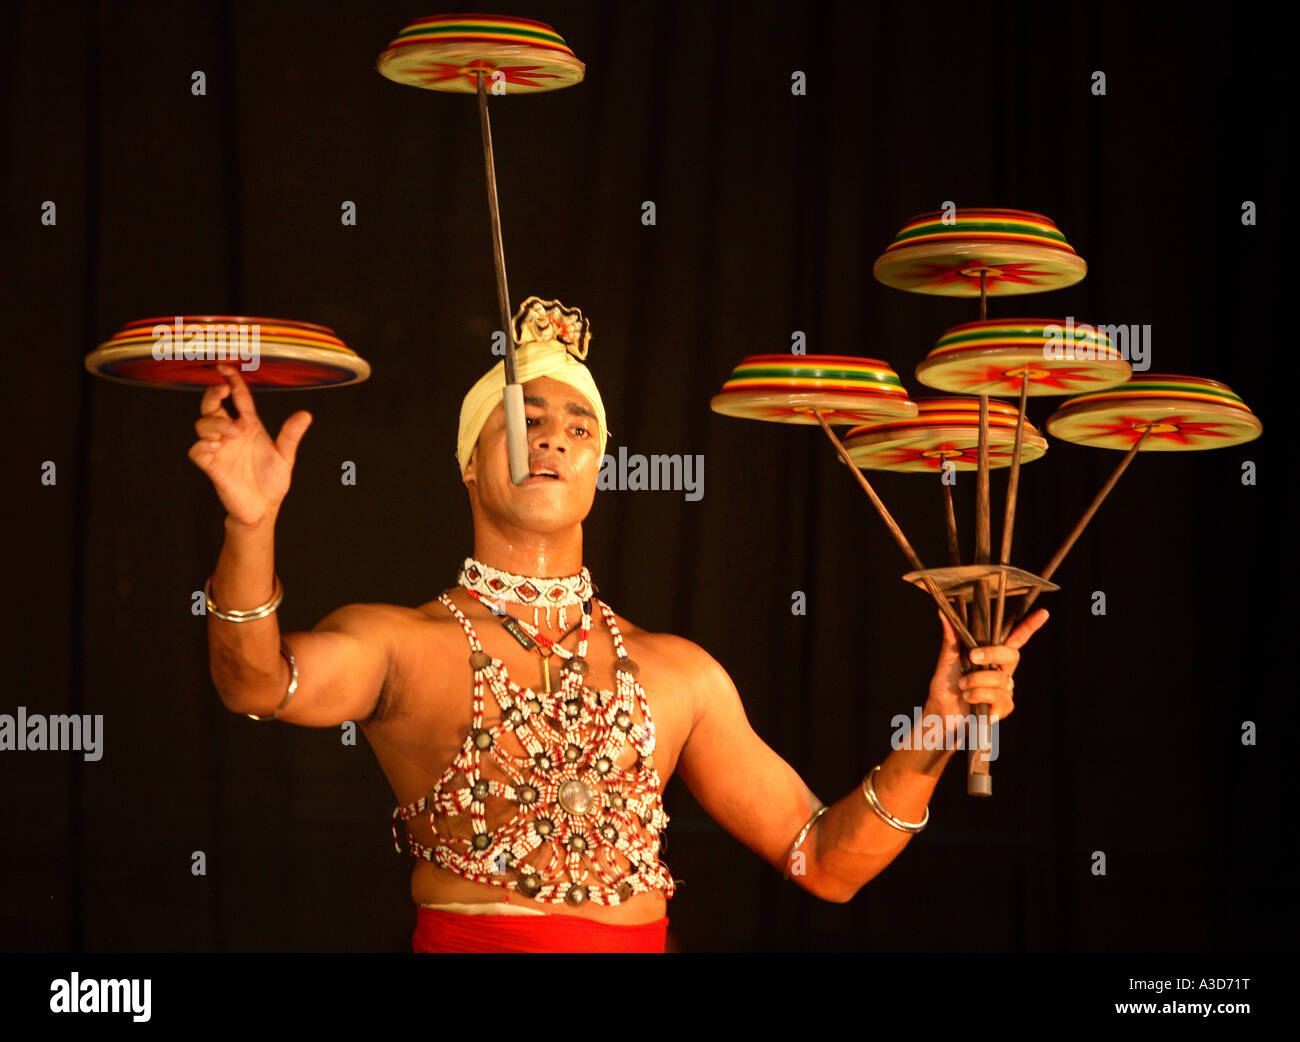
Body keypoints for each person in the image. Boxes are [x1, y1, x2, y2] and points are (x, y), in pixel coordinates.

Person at [189, 297, 1048, 953]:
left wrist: (938, 729)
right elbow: (256, 681)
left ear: (601, 463)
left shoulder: (680, 674)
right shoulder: (399, 645)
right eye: (523, 422)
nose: (552, 441)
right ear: (467, 460)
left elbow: (824, 861)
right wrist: (251, 525)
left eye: (577, 427)